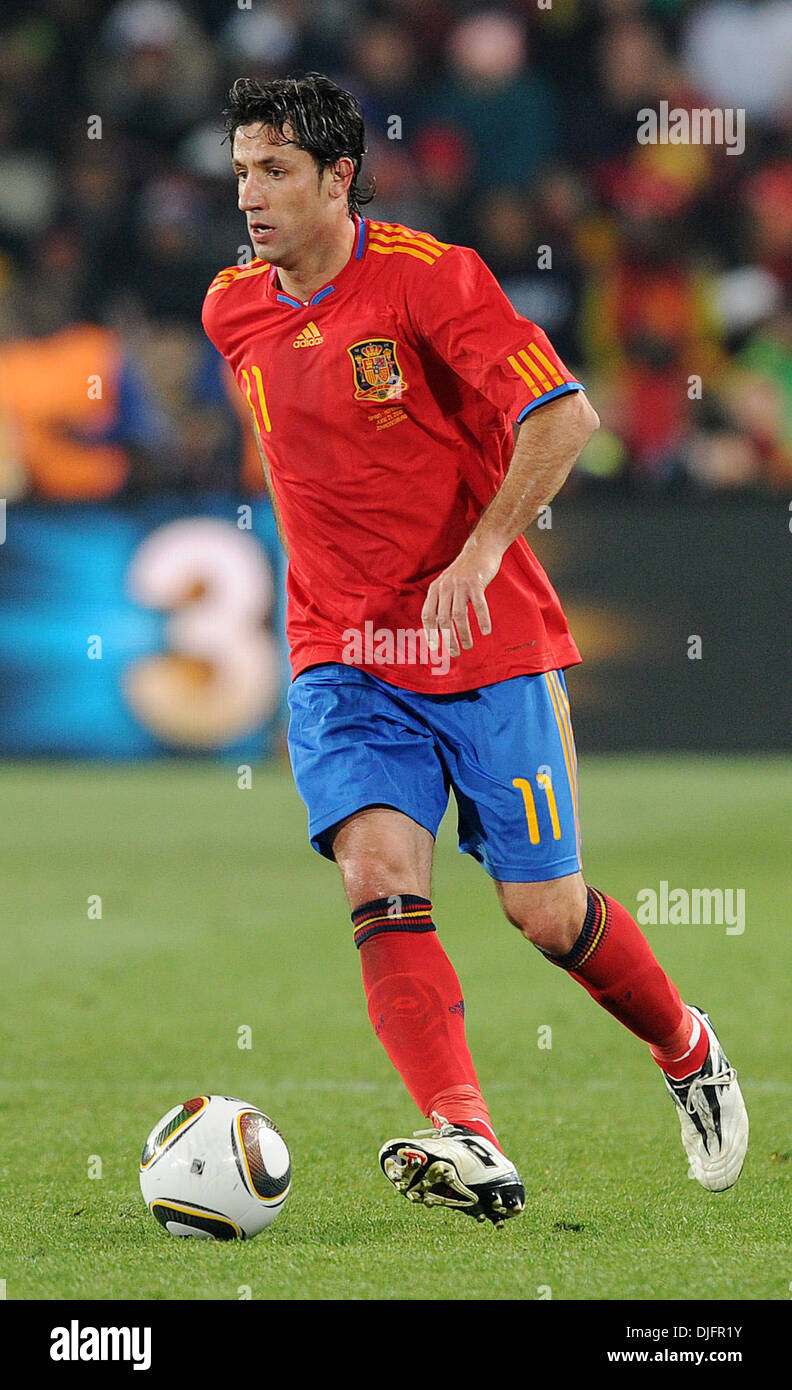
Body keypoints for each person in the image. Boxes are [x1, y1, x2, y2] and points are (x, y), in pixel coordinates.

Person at [202, 74, 748, 1228]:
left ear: (338, 177)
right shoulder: (231, 309)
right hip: (343, 655)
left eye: (274, 171)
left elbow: (564, 416)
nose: (248, 193)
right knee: (377, 875)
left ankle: (688, 1047)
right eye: (241, 169)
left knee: (545, 916)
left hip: (482, 639)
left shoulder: (432, 278)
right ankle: (468, 1131)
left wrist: (482, 548)